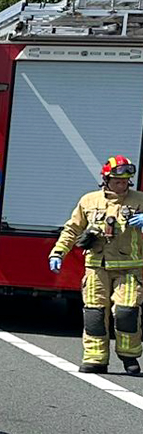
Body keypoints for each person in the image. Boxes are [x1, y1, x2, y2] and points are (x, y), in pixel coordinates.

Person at [49, 155, 143, 375]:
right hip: (96, 268)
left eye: (126, 181)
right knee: (94, 314)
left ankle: (129, 357)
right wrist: (58, 253)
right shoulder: (89, 201)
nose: (122, 185)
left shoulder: (140, 200)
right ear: (106, 179)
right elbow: (72, 229)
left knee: (126, 312)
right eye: (118, 181)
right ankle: (95, 359)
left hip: (129, 269)